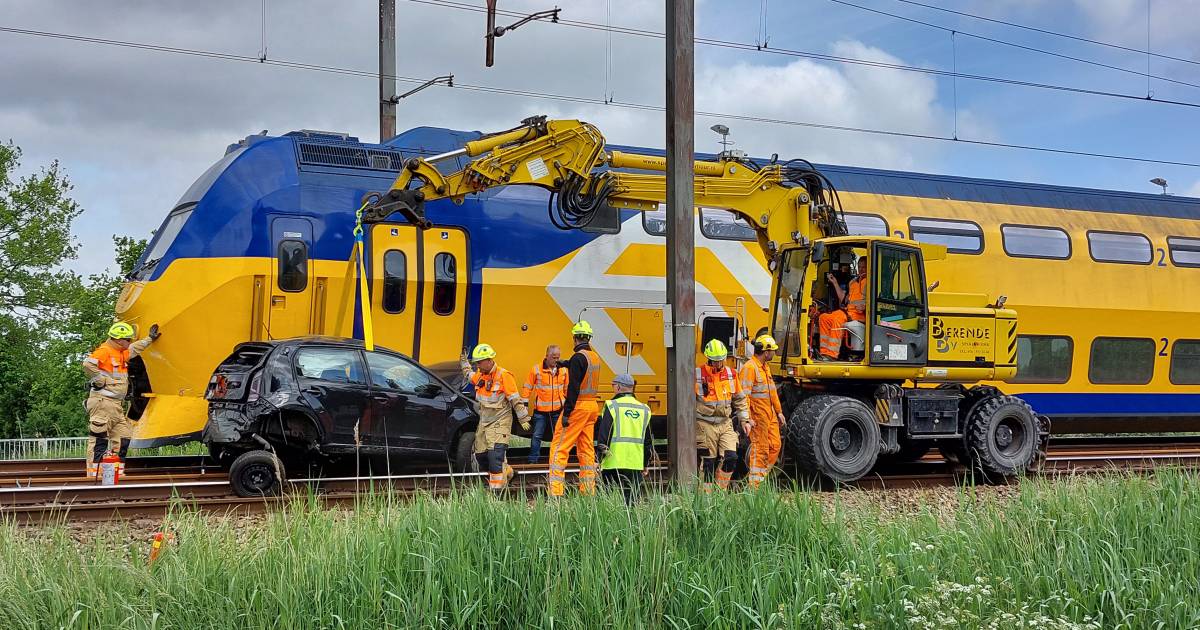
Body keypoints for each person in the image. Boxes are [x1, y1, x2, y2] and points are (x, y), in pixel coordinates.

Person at [81, 321, 160, 478]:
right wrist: (99, 379)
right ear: (118, 339)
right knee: (99, 440)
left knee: (123, 438)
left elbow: (134, 348)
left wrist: (149, 339)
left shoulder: (121, 352)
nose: (129, 342)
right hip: (103, 403)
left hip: (116, 405)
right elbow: (87, 364)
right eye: (127, 339)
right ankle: (95, 476)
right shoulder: (105, 351)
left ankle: (116, 474)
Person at [460, 344, 531, 491]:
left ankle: (497, 493)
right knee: (481, 457)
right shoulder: (480, 376)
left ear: (489, 360)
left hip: (500, 422)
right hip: (485, 422)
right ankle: (508, 472)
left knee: (495, 458)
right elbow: (468, 374)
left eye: (479, 362)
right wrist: (464, 361)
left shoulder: (504, 375)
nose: (477, 366)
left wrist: (523, 419)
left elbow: (515, 399)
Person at [547, 321, 601, 496]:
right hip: (592, 406)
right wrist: (565, 364)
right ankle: (588, 491)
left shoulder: (578, 358)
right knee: (586, 449)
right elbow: (582, 369)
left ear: (575, 338)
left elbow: (574, 387)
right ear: (588, 338)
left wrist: (567, 412)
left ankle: (556, 492)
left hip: (577, 407)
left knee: (559, 447)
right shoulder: (593, 357)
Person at [695, 339, 751, 492]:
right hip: (705, 424)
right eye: (716, 361)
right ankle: (706, 497)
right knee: (708, 462)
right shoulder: (698, 375)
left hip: (725, 423)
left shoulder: (731, 374)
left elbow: (739, 398)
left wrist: (744, 420)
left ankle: (720, 492)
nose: (719, 364)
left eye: (721, 360)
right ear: (709, 359)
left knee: (731, 457)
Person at [593, 373, 653, 505]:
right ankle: (631, 524)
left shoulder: (612, 406)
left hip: (613, 462)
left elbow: (605, 435)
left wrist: (598, 459)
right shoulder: (644, 409)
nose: (613, 388)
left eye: (613, 385)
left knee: (606, 502)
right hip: (635, 463)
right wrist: (645, 464)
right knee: (631, 502)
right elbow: (648, 440)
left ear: (619, 387)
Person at [739, 334, 786, 488]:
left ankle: (756, 477)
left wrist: (779, 412)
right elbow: (743, 396)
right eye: (773, 350)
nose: (774, 353)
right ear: (766, 352)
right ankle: (754, 486)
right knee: (761, 449)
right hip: (758, 417)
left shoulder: (764, 367)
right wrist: (746, 418)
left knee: (775, 446)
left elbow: (772, 392)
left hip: (770, 415)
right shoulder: (750, 368)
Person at [520, 345, 566, 464]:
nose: (556, 360)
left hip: (558, 410)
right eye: (553, 357)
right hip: (540, 412)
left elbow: (567, 389)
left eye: (558, 357)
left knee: (559, 436)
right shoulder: (536, 369)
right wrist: (523, 407)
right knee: (536, 436)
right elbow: (527, 387)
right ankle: (533, 460)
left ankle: (557, 460)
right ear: (547, 356)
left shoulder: (563, 370)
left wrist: (568, 406)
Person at [817, 256, 868, 361]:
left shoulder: (872, 282)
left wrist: (865, 306)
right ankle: (824, 352)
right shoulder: (852, 282)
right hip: (848, 312)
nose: (861, 269)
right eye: (859, 267)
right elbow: (844, 300)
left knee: (837, 320)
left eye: (864, 267)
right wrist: (835, 283)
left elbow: (876, 301)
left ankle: (832, 354)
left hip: (860, 315)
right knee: (823, 317)